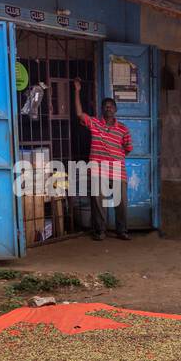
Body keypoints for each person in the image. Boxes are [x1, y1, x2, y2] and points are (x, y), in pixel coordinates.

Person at [73, 78, 133, 241]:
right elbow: (79, 113)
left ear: (115, 109)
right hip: (98, 170)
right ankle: (100, 231)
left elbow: (128, 149)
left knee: (121, 203)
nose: (108, 109)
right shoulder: (95, 123)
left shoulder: (123, 129)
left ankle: (122, 230)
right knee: (98, 203)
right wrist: (77, 91)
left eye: (111, 106)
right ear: (102, 109)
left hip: (117, 170)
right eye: (106, 106)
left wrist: (115, 158)